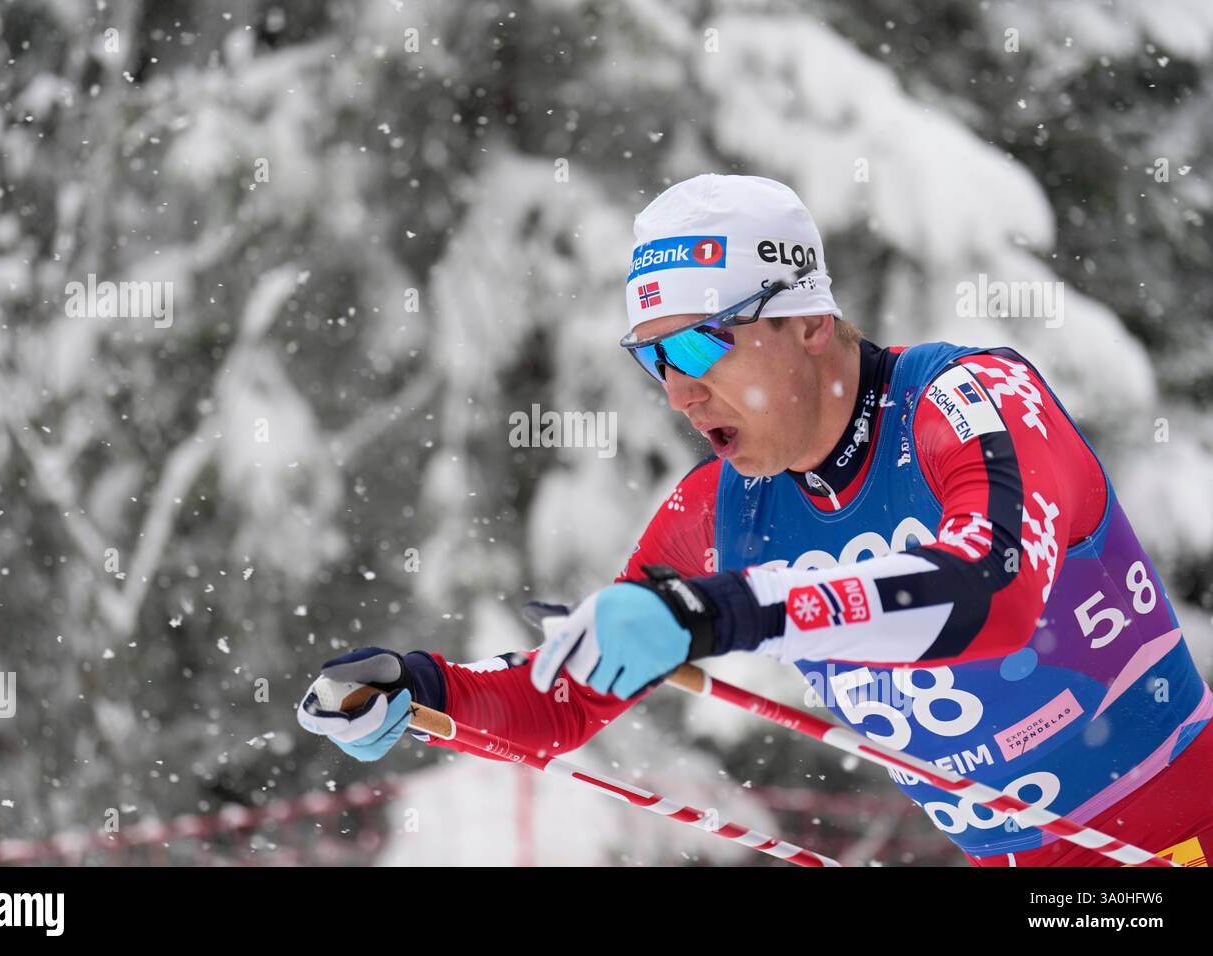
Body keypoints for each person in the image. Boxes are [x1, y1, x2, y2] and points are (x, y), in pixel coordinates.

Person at [298, 174, 1213, 866]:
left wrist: (725, 612)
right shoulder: (721, 514)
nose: (681, 391)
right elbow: (565, 695)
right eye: (654, 361)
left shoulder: (967, 402)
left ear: (808, 320)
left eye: (702, 343)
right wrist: (418, 693)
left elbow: (994, 592)